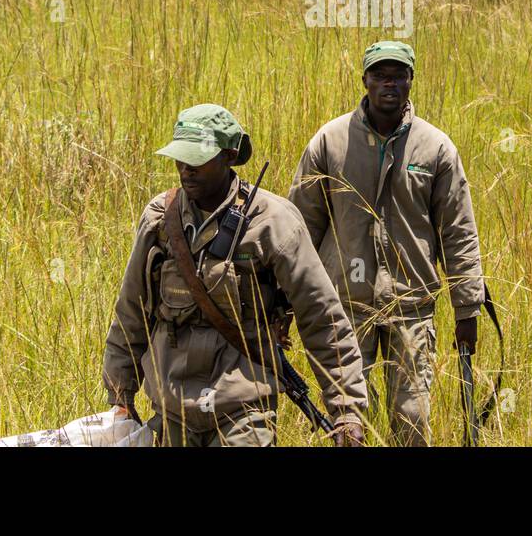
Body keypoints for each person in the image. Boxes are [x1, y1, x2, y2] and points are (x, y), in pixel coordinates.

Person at [103, 103, 366, 446]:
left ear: (229, 156)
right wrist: (121, 396)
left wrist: (345, 408)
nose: (185, 169)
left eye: (196, 160)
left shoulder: (273, 222)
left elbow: (322, 316)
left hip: (242, 410)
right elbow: (131, 312)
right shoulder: (160, 220)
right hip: (171, 410)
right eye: (180, 159)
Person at [289, 42, 484, 446]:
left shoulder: (436, 148)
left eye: (398, 75)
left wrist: (467, 307)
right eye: (380, 75)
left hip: (412, 308)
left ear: (411, 80)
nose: (389, 84)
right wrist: (281, 303)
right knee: (349, 424)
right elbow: (299, 229)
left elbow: (458, 232)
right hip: (346, 306)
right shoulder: (330, 141)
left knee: (411, 422)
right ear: (364, 81)